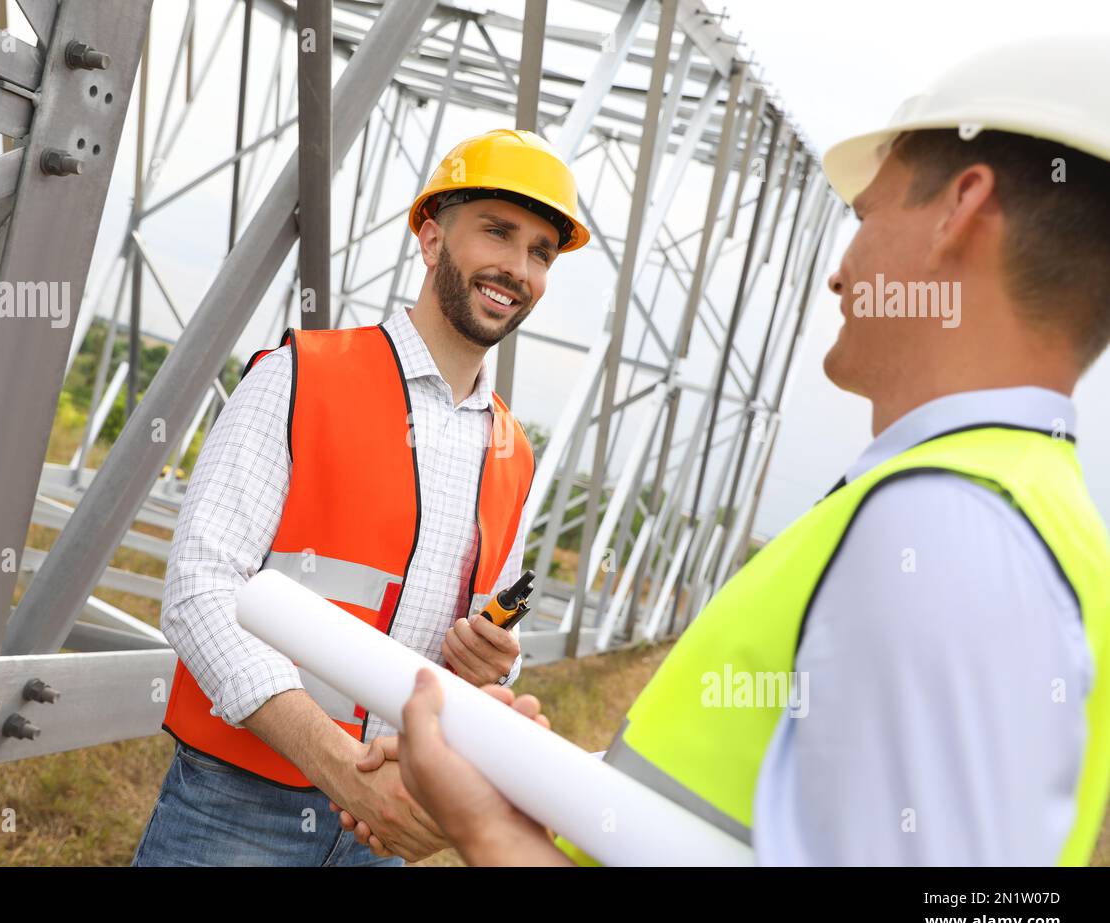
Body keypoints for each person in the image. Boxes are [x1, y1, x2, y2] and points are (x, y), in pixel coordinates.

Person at [332, 34, 1110, 866]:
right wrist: (525, 779)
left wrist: (488, 831)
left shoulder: (947, 529)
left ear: (960, 211)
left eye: (865, 218)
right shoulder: (1011, 512)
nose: (840, 276)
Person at [131, 129, 591, 866]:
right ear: (433, 238)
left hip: (388, 822)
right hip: (240, 809)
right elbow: (199, 591)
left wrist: (490, 662)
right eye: (497, 233)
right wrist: (337, 767)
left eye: (541, 251)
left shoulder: (513, 453)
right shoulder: (298, 376)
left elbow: (476, 640)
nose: (518, 267)